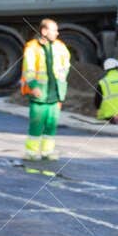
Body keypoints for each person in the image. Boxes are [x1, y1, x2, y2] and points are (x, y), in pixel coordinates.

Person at [20, 18, 71, 161]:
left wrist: (61, 88)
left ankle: (47, 152)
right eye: (54, 30)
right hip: (40, 93)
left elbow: (65, 66)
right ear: (44, 31)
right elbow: (28, 70)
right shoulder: (32, 47)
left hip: (55, 94)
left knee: (51, 125)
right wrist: (34, 86)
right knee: (36, 124)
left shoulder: (60, 47)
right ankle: (31, 152)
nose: (57, 33)